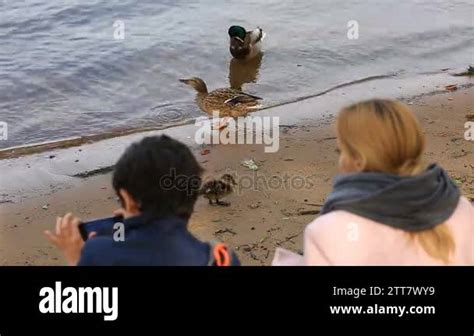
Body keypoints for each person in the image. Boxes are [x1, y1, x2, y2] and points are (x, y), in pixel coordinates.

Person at [273, 99, 473, 266]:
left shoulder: (328, 231)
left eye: (342, 150)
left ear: (358, 159)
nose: (340, 158)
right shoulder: (462, 208)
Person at [44, 135, 240, 266]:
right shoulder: (222, 259)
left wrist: (76, 257)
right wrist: (126, 229)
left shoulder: (99, 254)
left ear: (128, 199)